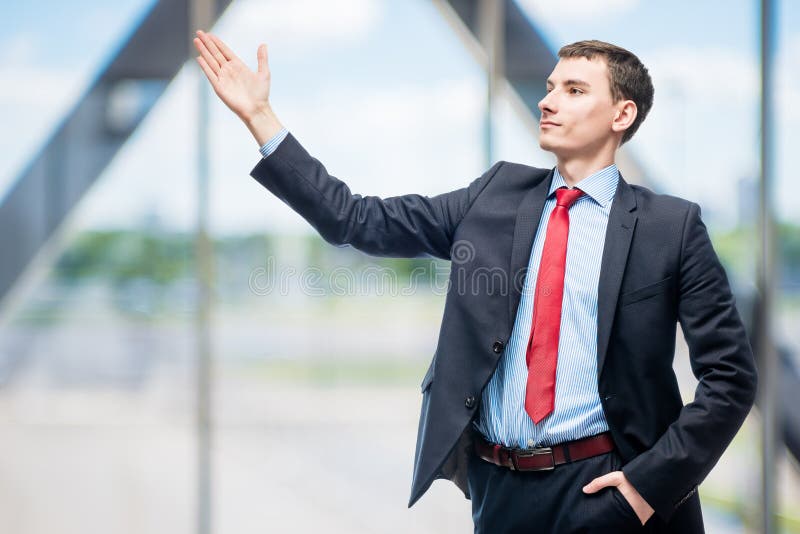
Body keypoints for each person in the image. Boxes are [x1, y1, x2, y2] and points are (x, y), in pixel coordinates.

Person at [193, 30, 758, 534]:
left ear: (622, 115)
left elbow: (730, 379)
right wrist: (260, 118)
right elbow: (355, 219)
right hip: (502, 494)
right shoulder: (494, 197)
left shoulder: (671, 227)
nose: (547, 100)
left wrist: (643, 490)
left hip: (609, 490)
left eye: (574, 90)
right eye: (549, 86)